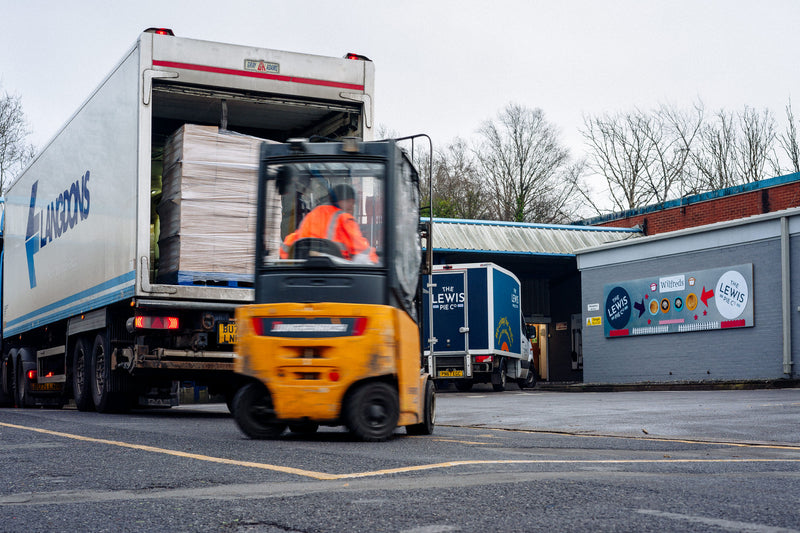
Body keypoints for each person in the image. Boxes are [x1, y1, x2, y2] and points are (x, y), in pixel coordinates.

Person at [280, 184, 378, 263]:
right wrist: (376, 262)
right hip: (338, 276)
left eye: (352, 203)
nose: (351, 207)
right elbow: (362, 250)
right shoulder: (344, 218)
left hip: (304, 274)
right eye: (348, 202)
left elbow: (290, 245)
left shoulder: (313, 215)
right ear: (338, 201)